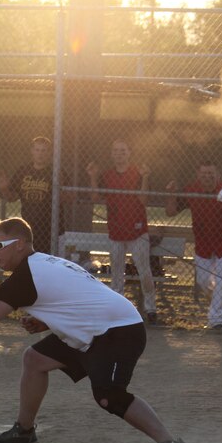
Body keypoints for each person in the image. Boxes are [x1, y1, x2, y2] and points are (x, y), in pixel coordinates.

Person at [0, 217, 191, 443]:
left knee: (109, 396)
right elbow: (78, 298)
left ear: (19, 244)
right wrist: (46, 323)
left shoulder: (27, 275)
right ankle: (24, 432)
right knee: (35, 359)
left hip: (118, 331)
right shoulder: (44, 262)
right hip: (101, 326)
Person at [166, 160, 222, 329]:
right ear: (198, 175)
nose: (207, 177)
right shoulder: (191, 190)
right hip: (203, 243)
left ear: (218, 175)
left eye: (211, 173)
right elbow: (170, 212)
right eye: (204, 174)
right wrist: (172, 193)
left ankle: (215, 320)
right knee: (203, 281)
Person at [85, 139, 158, 325]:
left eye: (123, 150)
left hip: (137, 231)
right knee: (117, 274)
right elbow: (95, 197)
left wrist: (146, 177)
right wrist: (93, 176)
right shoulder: (107, 175)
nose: (119, 154)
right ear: (111, 154)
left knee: (144, 271)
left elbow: (143, 200)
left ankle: (150, 308)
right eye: (116, 150)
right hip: (116, 231)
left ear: (129, 153)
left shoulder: (137, 173)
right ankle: (118, 310)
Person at [0, 136, 71, 254]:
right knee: (29, 261)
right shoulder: (23, 171)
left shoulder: (57, 171)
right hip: (28, 229)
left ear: (49, 153)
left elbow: (69, 199)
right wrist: (4, 189)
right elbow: (12, 198)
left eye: (44, 150)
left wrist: (60, 188)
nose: (40, 154)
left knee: (51, 262)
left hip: (51, 229)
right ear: (32, 151)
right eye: (37, 150)